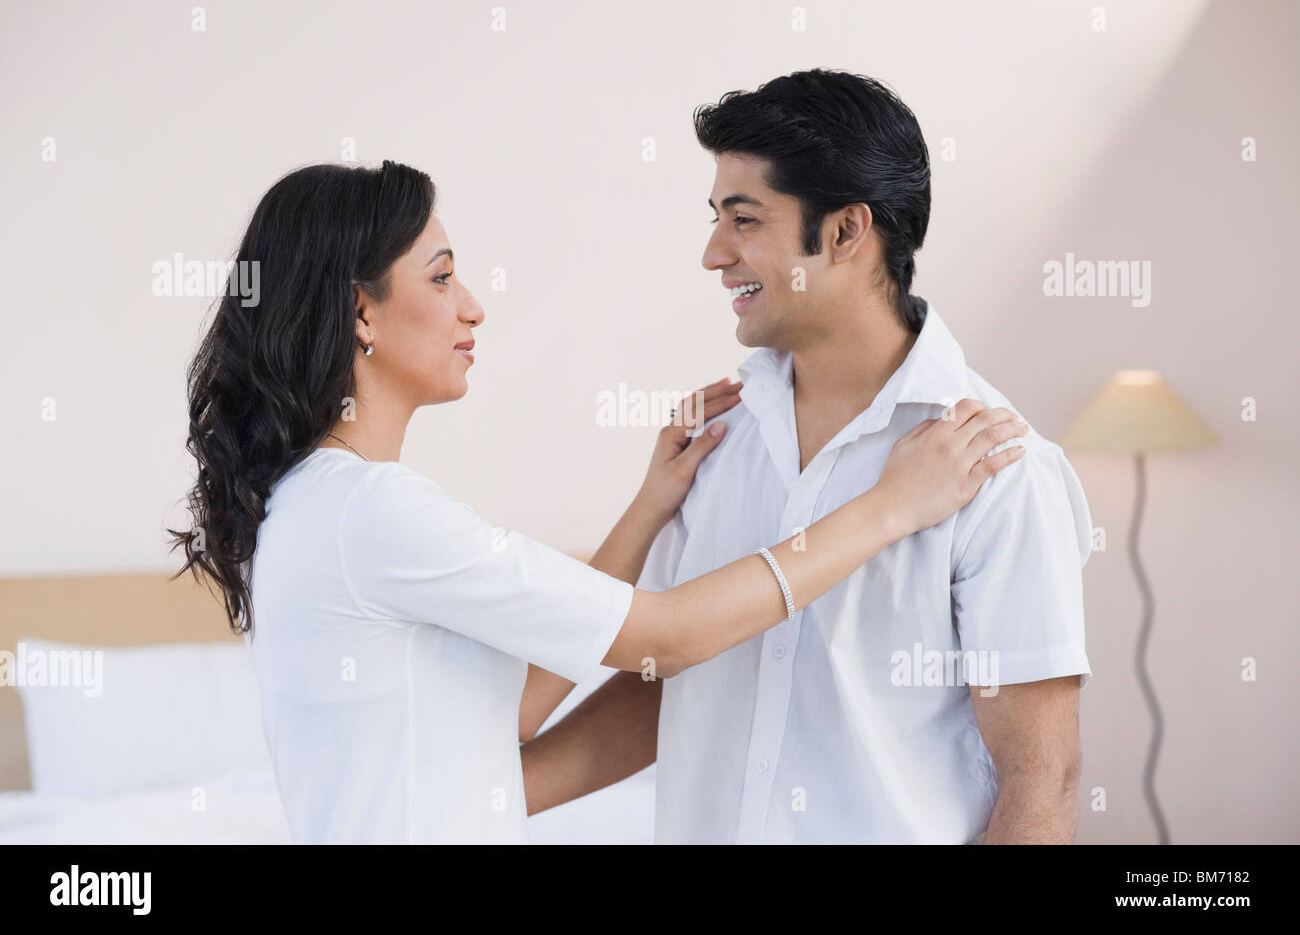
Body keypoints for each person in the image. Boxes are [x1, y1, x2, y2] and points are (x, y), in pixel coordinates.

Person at [169, 158, 1027, 844]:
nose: (472, 305)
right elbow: (666, 636)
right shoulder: (375, 513)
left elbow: (510, 710)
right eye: (439, 278)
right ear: (362, 310)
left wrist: (648, 506)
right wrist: (888, 507)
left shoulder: (324, 507)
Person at [521, 70, 1094, 845]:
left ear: (847, 231)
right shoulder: (713, 443)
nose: (713, 253)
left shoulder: (996, 464)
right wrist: (473, 798)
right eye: (717, 217)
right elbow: (673, 674)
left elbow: (1039, 782)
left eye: (744, 218)